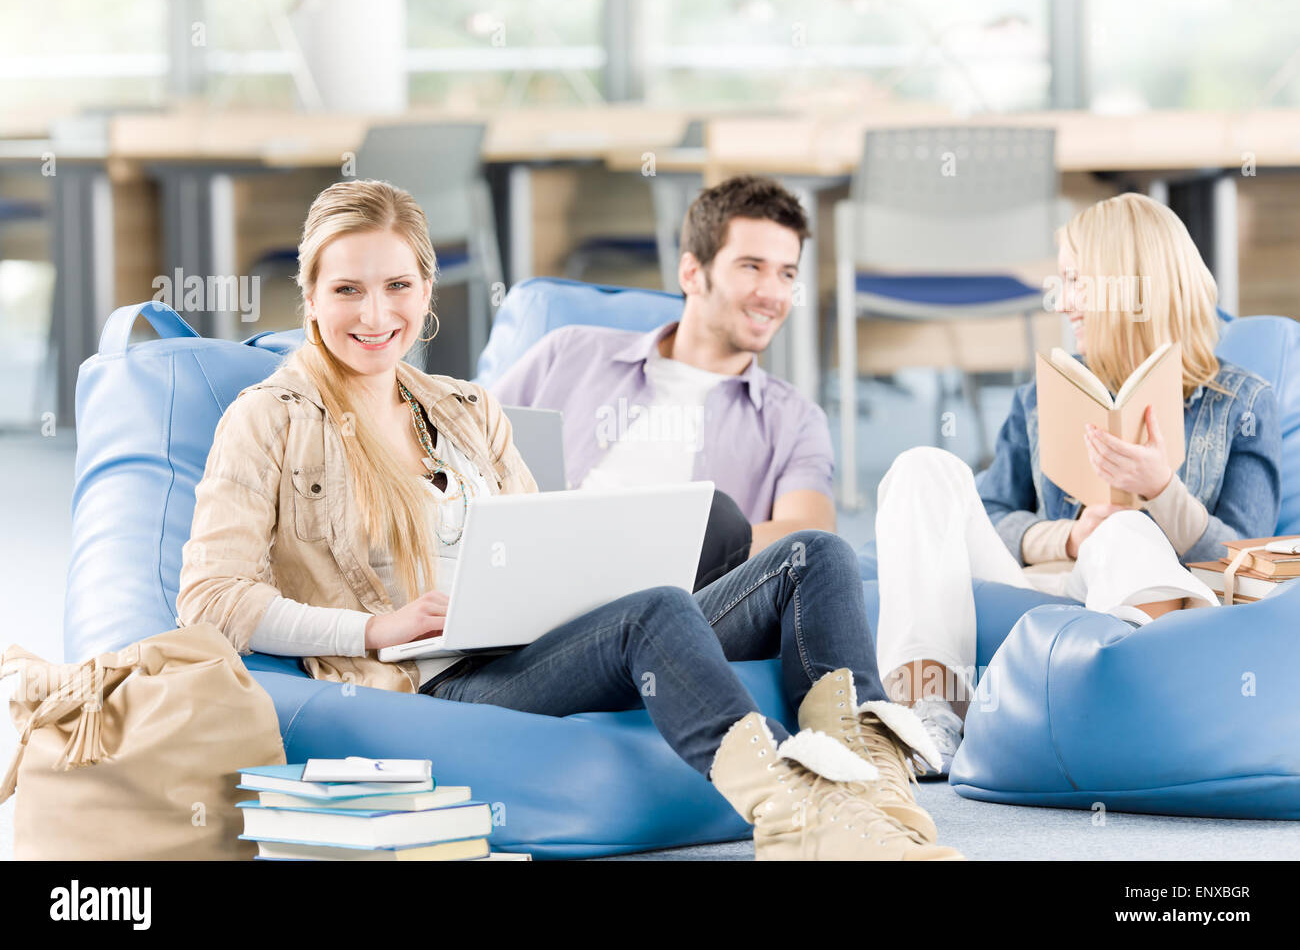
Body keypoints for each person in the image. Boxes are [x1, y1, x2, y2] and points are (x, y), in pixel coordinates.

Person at [176, 179, 962, 861]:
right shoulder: (269, 420)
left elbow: (532, 541)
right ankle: (793, 817)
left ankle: (880, 804)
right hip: (438, 682)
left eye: (397, 287)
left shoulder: (465, 407)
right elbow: (209, 601)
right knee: (654, 613)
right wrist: (373, 632)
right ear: (310, 296)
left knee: (813, 554)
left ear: (426, 290)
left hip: (529, 641)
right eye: (347, 289)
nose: (375, 314)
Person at [872, 192, 1282, 777]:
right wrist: (1065, 536)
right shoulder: (1043, 394)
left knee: (1125, 530)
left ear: (1130, 285)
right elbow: (990, 511)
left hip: (1142, 603)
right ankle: (930, 713)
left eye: (1076, 282)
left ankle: (1145, 707)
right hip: (1045, 591)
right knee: (922, 467)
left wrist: (1161, 490)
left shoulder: (1241, 403)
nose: (1064, 303)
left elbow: (1253, 569)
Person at [492, 175, 835, 590]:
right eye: (751, 267)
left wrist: (671, 546)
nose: (773, 294)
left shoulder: (793, 418)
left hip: (690, 602)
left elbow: (810, 539)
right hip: (547, 580)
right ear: (692, 273)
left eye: (786, 274)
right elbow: (458, 449)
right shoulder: (570, 353)